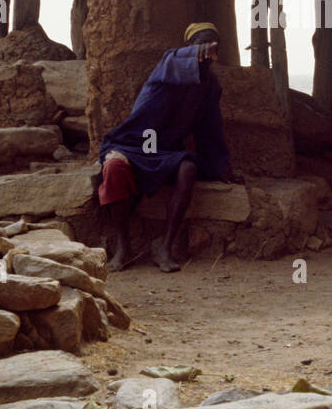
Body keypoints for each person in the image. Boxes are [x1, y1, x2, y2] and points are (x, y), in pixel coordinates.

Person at [96, 22, 239, 272]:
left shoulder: (210, 86)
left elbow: (210, 128)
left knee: (188, 169)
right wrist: (197, 51)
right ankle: (123, 246)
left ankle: (165, 247)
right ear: (188, 48)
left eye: (211, 45)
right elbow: (176, 58)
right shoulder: (168, 64)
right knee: (114, 168)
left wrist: (221, 165)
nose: (206, 51)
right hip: (133, 143)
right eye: (200, 44)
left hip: (165, 150)